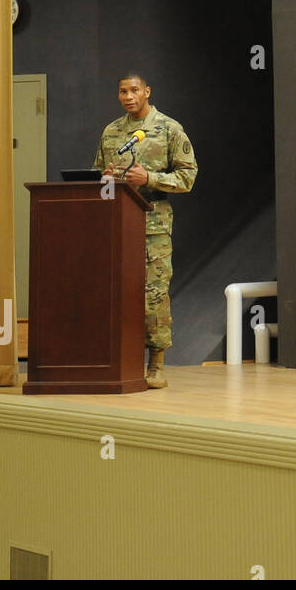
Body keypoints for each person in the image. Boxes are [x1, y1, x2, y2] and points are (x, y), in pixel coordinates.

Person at [94, 72, 198, 389]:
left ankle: (156, 364)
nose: (128, 96)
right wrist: (106, 179)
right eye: (122, 91)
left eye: (134, 90)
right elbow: (98, 172)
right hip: (118, 221)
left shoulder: (168, 129)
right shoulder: (112, 132)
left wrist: (150, 179)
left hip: (153, 220)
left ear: (147, 92)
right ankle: (122, 360)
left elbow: (187, 177)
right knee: (117, 290)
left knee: (152, 294)